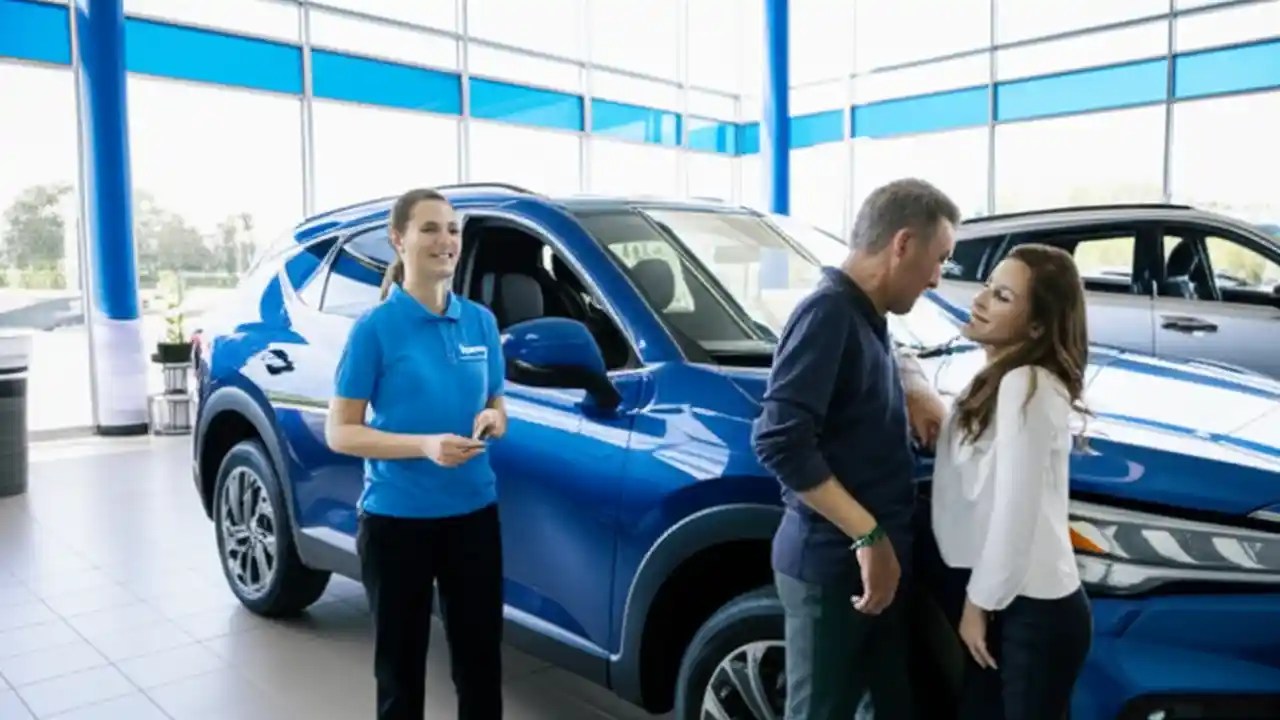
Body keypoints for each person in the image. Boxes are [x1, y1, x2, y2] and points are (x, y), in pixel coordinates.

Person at [752, 178, 958, 719]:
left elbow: (889, 355)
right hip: (833, 569)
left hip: (873, 570)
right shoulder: (827, 314)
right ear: (903, 245)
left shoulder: (868, 316)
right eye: (939, 259)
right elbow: (779, 441)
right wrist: (868, 535)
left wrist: (912, 387)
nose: (937, 278)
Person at [325, 187, 508, 720]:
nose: (445, 240)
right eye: (429, 229)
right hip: (397, 522)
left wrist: (495, 417)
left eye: (451, 229)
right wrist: (423, 446)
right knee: (401, 672)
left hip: (474, 514)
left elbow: (496, 399)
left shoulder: (480, 322)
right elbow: (341, 432)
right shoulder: (375, 330)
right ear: (398, 239)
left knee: (480, 666)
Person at [930, 243, 1093, 720]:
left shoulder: (1029, 384)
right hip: (1012, 599)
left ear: (1038, 326)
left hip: (1033, 610)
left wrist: (977, 606)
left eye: (1003, 296)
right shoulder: (1000, 378)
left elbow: (1014, 511)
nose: (980, 300)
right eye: (987, 286)